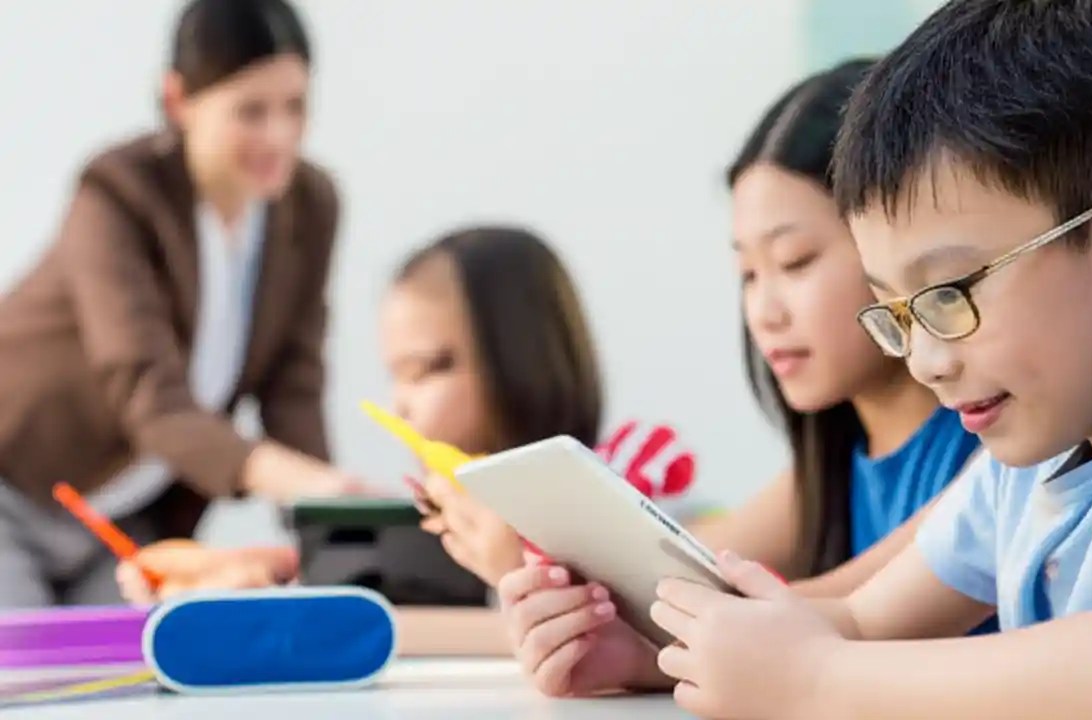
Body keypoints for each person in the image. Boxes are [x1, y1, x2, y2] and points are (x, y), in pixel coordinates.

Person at [521, 1, 1092, 718]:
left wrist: (815, 680)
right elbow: (859, 622)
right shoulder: (1033, 460)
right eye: (896, 314)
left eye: (948, 295)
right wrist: (660, 653)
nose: (924, 361)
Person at [498, 57, 994, 696]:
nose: (764, 311)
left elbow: (850, 611)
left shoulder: (997, 446)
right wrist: (598, 624)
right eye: (748, 275)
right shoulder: (827, 467)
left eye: (796, 261)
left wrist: (647, 639)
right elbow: (693, 578)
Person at [117, 227, 713, 646]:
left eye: (427, 369)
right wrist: (262, 582)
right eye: (394, 375)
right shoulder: (433, 522)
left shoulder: (631, 503)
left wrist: (512, 569)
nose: (400, 404)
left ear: (521, 360)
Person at [0, 0, 365, 609]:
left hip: (128, 523)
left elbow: (294, 389)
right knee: (19, 660)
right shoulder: (118, 192)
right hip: (14, 489)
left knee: (138, 661)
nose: (279, 135)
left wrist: (331, 527)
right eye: (251, 111)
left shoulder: (311, 205)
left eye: (295, 106)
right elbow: (148, 393)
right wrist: (302, 482)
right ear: (179, 101)